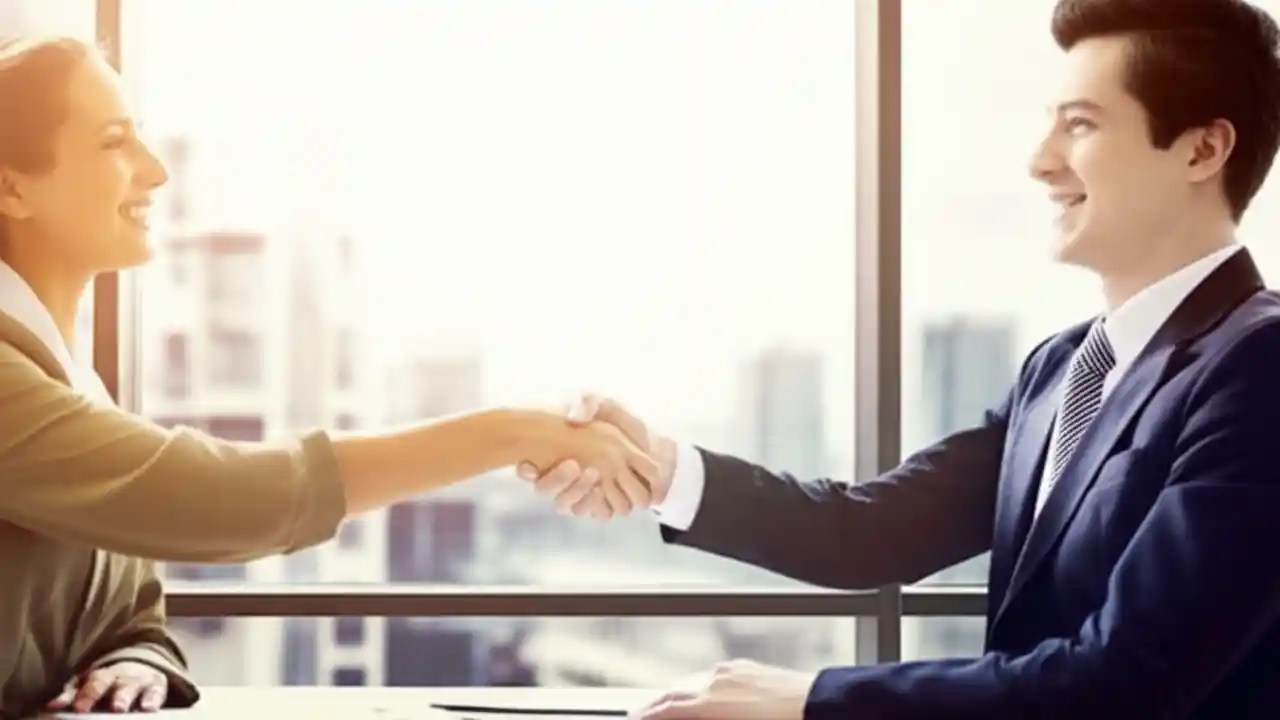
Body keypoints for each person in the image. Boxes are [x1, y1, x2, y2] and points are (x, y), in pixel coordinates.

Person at [526, 0, 1280, 716]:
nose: (1039, 161)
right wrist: (660, 468)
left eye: (1080, 125)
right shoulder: (1060, 369)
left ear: (1202, 150)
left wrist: (814, 698)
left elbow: (1129, 679)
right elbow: (871, 531)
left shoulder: (1259, 364)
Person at [0, 36, 660, 717]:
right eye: (114, 142)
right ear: (12, 186)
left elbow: (128, 606)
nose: (156, 170)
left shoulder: (67, 371)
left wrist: (138, 656)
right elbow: (214, 497)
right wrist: (509, 434)